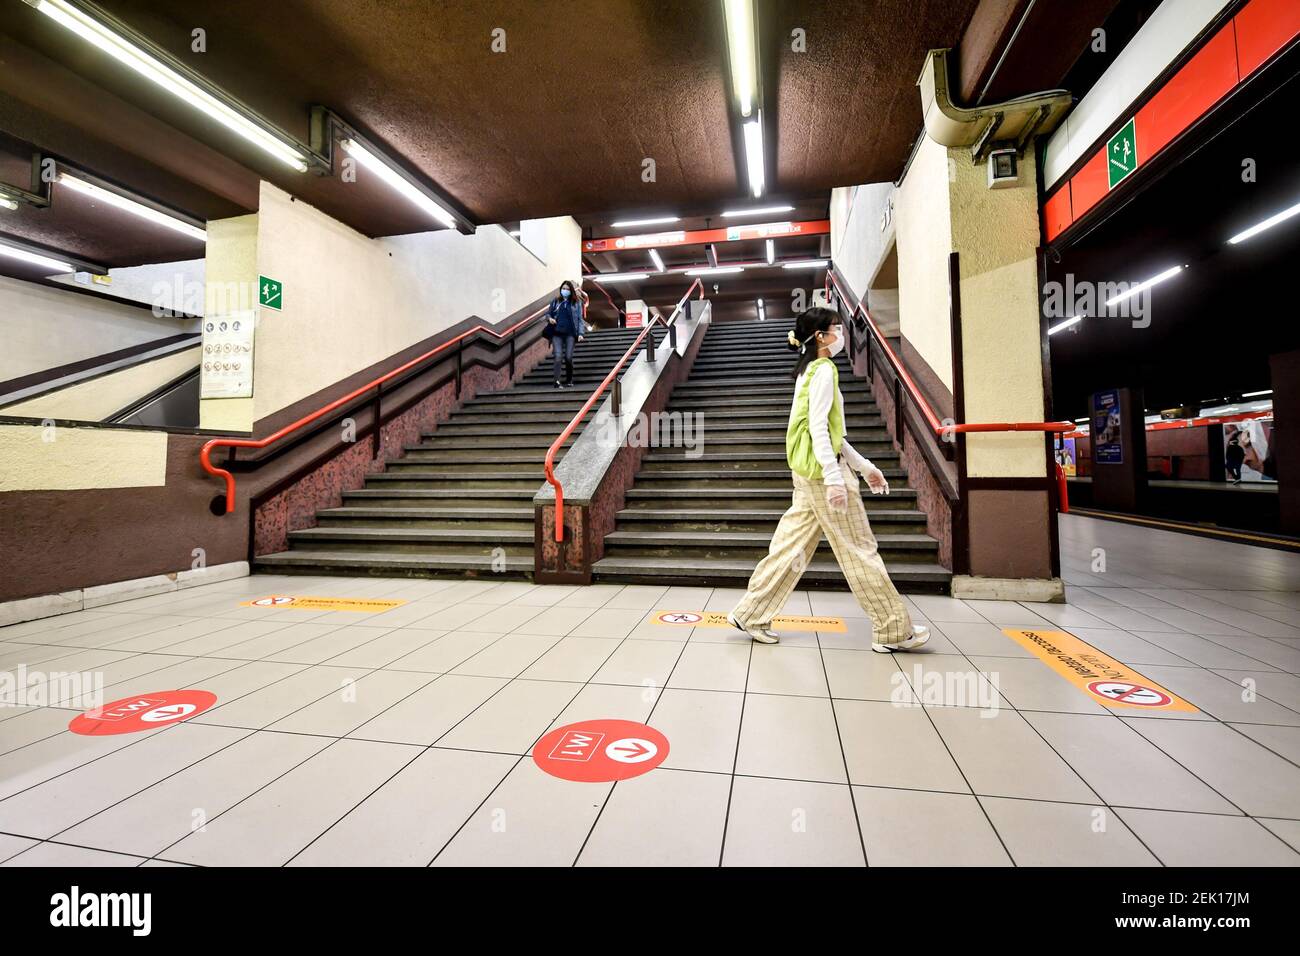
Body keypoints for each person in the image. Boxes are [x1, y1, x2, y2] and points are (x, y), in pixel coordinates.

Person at [728, 306, 930, 652]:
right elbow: (818, 428)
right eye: (837, 328)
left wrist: (864, 467)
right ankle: (893, 630)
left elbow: (830, 433)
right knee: (859, 549)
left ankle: (751, 613)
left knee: (791, 546)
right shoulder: (824, 371)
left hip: (808, 473)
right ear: (820, 336)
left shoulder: (807, 371)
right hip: (823, 475)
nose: (842, 334)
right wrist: (835, 478)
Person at [546, 280, 585, 388]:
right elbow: (548, 314)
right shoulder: (555, 301)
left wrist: (580, 333)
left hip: (570, 334)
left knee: (568, 357)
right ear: (560, 290)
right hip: (556, 333)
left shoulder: (576, 302)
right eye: (563, 289)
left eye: (567, 289)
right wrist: (549, 319)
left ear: (571, 291)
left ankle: (569, 379)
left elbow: (580, 319)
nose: (565, 291)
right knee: (558, 356)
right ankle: (557, 382)